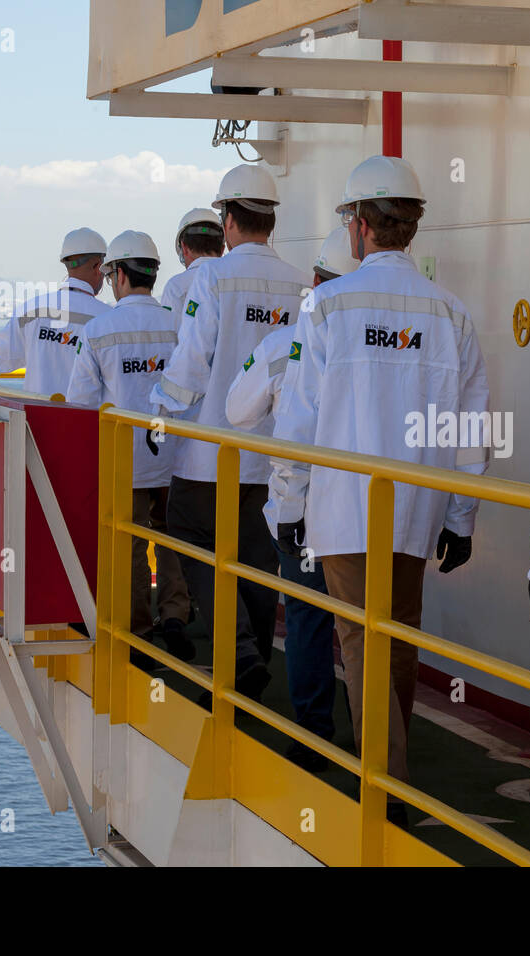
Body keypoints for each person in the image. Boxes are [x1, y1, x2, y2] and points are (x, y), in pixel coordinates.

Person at [269, 156, 490, 827]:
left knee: (358, 641)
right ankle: (391, 773)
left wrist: (287, 504)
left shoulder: (327, 305)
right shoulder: (450, 313)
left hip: (341, 509)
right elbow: (472, 425)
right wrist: (460, 516)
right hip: (417, 512)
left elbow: (300, 416)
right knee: (396, 640)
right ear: (411, 226)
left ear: (360, 225)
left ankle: (384, 789)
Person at [150, 164, 307, 700]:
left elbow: (192, 363)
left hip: (208, 454)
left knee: (194, 541)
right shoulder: (299, 284)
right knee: (259, 564)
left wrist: (158, 414)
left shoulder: (211, 278)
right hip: (272, 457)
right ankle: (253, 668)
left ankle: (239, 656)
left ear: (230, 217)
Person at [224, 226, 357, 773]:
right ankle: (376, 743)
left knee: (307, 620)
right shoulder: (374, 349)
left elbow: (236, 413)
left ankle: (313, 736)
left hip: (295, 512)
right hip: (365, 513)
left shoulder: (283, 346)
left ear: (315, 283)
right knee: (366, 628)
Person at [64, 231, 191, 658]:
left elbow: (80, 403)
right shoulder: (178, 325)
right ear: (152, 274)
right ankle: (176, 617)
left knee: (132, 544)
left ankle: (138, 632)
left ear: (117, 275)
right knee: (173, 539)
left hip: (125, 461)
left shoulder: (100, 330)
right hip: (177, 456)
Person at [0, 228, 110, 396]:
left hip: (36, 417)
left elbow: (1, 350)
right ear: (98, 266)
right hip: (86, 420)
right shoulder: (107, 318)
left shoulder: (33, 309)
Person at [161, 208, 225, 328]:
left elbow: (169, 335)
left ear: (184, 248)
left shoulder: (176, 287)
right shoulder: (235, 279)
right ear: (222, 249)